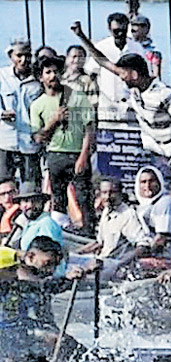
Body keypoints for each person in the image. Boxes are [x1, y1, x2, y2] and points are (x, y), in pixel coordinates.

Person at [72, 22, 171, 171]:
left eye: (123, 74)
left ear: (134, 74)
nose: (120, 78)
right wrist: (81, 35)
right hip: (151, 153)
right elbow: (102, 61)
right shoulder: (134, 90)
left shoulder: (164, 94)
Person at [31, 55, 96, 232]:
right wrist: (54, 121)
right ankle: (60, 229)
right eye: (48, 72)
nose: (53, 76)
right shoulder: (38, 104)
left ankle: (88, 230)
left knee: (84, 195)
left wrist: (83, 156)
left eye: (56, 72)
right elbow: (38, 138)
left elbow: (89, 128)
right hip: (55, 155)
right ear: (40, 77)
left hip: (76, 153)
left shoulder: (76, 96)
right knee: (58, 196)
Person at [75, 177, 153, 278]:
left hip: (114, 265)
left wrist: (119, 263)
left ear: (120, 193)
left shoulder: (128, 215)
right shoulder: (106, 211)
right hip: (101, 261)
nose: (107, 196)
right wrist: (77, 252)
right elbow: (100, 243)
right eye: (104, 193)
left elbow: (143, 246)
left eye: (112, 193)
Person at [0, 38, 42, 186]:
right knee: (4, 185)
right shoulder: (2, 76)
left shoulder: (38, 80)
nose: (24, 60)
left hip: (30, 144)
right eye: (19, 56)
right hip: (6, 142)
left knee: (31, 186)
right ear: (11, 56)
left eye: (27, 56)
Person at [131, 165, 171, 264]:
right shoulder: (142, 206)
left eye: (152, 181)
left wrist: (132, 258)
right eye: (143, 182)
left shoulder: (166, 203)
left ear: (159, 183)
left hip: (166, 257)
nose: (147, 186)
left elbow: (161, 240)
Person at [10, 183, 62, 251]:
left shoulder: (47, 224)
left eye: (35, 201)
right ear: (20, 205)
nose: (30, 205)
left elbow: (45, 255)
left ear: (42, 203)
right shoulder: (28, 224)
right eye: (25, 201)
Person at [129, 14, 161, 80]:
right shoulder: (128, 47)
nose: (133, 31)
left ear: (146, 29)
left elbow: (156, 75)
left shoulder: (153, 52)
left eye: (138, 26)